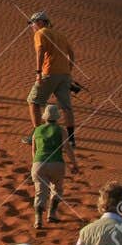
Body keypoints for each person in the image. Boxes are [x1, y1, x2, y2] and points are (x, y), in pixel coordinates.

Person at [27, 11, 78, 145]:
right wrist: (68, 70)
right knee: (67, 107)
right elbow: (71, 55)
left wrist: (38, 72)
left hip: (49, 73)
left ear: (40, 22)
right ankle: (71, 140)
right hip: (64, 75)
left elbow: (40, 51)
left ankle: (36, 135)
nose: (32, 27)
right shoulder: (61, 35)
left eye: (32, 24)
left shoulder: (41, 33)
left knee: (33, 102)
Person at [30, 102, 78, 229]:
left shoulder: (37, 130)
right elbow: (67, 148)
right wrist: (74, 164)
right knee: (57, 188)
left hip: (39, 163)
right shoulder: (61, 130)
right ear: (57, 117)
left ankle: (38, 220)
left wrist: (35, 164)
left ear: (45, 117)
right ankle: (52, 213)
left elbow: (34, 150)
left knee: (40, 192)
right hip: (57, 164)